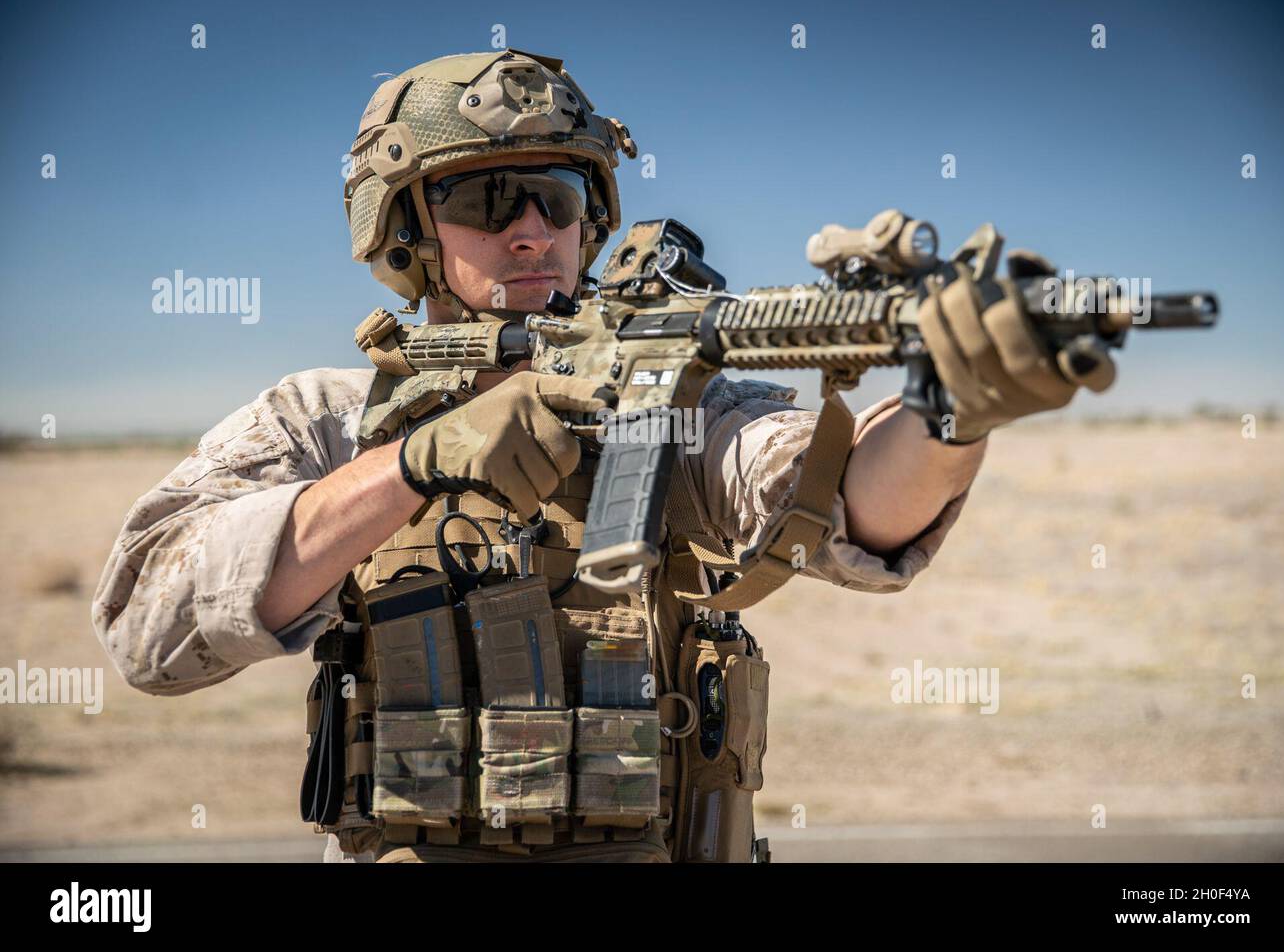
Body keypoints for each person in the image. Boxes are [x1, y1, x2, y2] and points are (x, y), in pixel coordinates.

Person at [91, 49, 1115, 863]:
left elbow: (849, 508)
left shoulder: (670, 393)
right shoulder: (330, 417)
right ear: (404, 231)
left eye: (559, 198)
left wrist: (955, 410)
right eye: (490, 201)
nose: (533, 230)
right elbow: (148, 626)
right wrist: (413, 466)